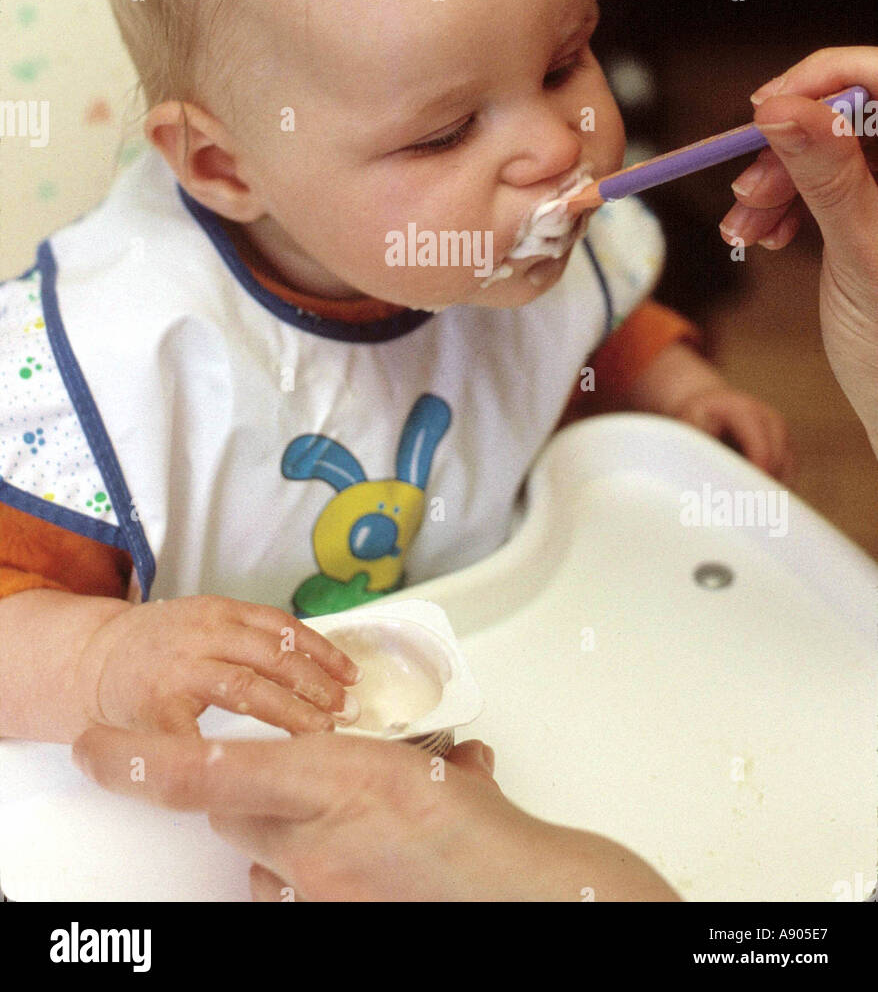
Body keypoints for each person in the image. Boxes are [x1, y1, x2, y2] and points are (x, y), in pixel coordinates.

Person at [68, 46, 878, 901]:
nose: (558, 148)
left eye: (564, 64)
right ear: (223, 164)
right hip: (231, 800)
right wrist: (105, 650)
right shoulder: (122, 354)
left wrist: (678, 387)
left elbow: (587, 330)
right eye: (448, 128)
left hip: (533, 700)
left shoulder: (524, 256)